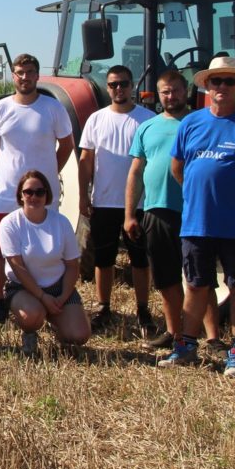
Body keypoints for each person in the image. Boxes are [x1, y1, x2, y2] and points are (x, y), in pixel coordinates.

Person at [161, 57, 235, 376]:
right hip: (197, 222)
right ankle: (186, 347)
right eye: (217, 81)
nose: (222, 87)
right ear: (206, 86)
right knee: (197, 286)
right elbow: (178, 168)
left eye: (229, 81)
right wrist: (201, 195)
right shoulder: (191, 124)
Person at [125, 70, 223, 351]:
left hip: (194, 210)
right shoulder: (147, 127)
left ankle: (213, 337)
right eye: (165, 92)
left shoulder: (202, 123)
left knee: (201, 277)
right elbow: (135, 172)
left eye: (176, 90)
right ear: (159, 95)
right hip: (157, 210)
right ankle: (173, 332)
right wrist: (130, 214)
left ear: (186, 91)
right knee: (166, 276)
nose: (171, 96)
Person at [0, 54, 74, 326]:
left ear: (37, 75)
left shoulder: (52, 108)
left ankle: (49, 298)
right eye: (20, 72)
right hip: (7, 193)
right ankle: (0, 302)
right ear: (13, 76)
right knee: (1, 251)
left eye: (30, 72)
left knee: (45, 247)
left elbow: (66, 145)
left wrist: (47, 176)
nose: (25, 77)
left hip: (42, 197)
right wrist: (12, 169)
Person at [77, 65, 154, 333]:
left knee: (140, 261)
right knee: (104, 259)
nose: (118, 89)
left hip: (139, 204)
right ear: (107, 88)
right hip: (104, 201)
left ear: (131, 85)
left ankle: (143, 310)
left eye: (123, 83)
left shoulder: (148, 119)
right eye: (113, 85)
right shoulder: (96, 119)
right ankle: (103, 306)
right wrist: (83, 195)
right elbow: (86, 161)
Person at [0, 169, 90, 355]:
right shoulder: (9, 223)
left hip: (58, 287)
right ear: (20, 195)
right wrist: (42, 297)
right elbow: (17, 267)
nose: (34, 196)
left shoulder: (61, 222)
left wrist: (63, 296)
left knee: (79, 336)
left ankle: (56, 322)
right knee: (32, 316)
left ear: (47, 194)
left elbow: (73, 265)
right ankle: (30, 331)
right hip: (22, 287)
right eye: (28, 192)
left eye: (40, 192)